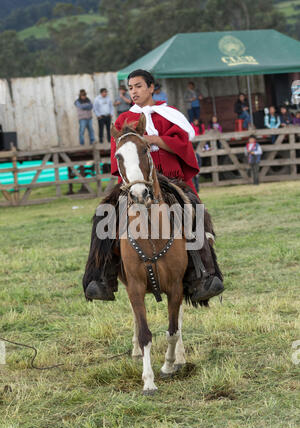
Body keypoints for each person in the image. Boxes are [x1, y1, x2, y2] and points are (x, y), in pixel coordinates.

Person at [83, 69, 224, 304]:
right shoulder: (123, 120)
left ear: (151, 88)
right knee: (104, 214)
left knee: (195, 212)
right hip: (136, 181)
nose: (133, 91)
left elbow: (182, 144)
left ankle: (205, 276)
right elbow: (118, 153)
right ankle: (101, 277)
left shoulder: (169, 115)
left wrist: (152, 140)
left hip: (172, 179)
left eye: (138, 86)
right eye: (130, 88)